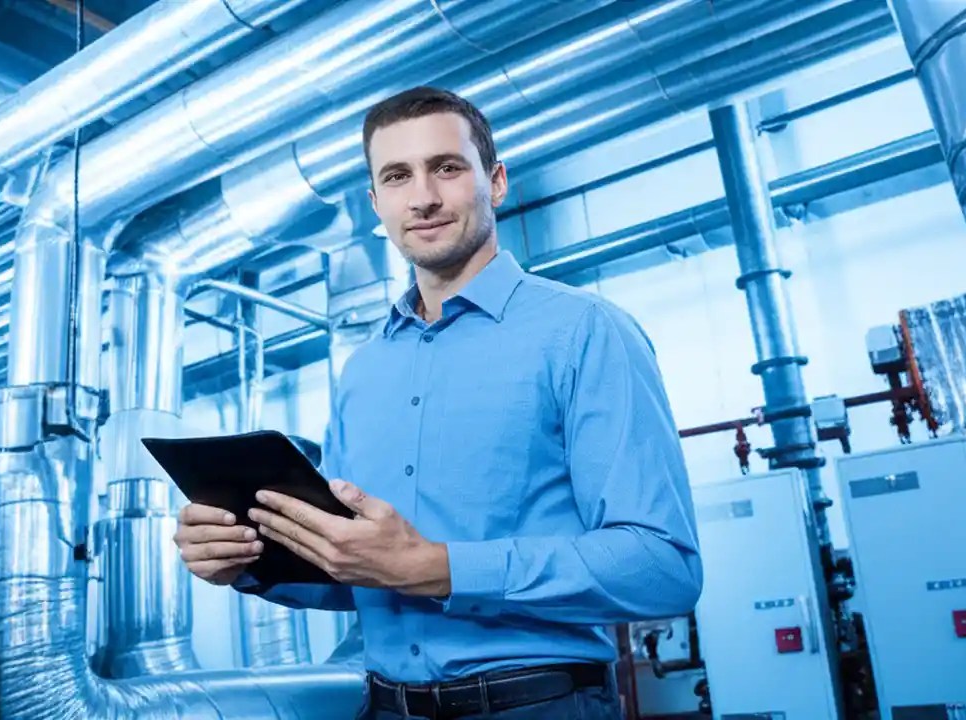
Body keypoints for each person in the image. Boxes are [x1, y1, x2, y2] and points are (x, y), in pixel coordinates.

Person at [172, 86, 703, 719]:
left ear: (496, 182)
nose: (422, 197)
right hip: (385, 706)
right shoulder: (364, 370)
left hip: (534, 706)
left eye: (446, 168)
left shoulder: (585, 332)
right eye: (397, 176)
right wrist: (246, 560)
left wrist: (440, 568)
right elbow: (358, 572)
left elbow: (662, 566)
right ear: (377, 202)